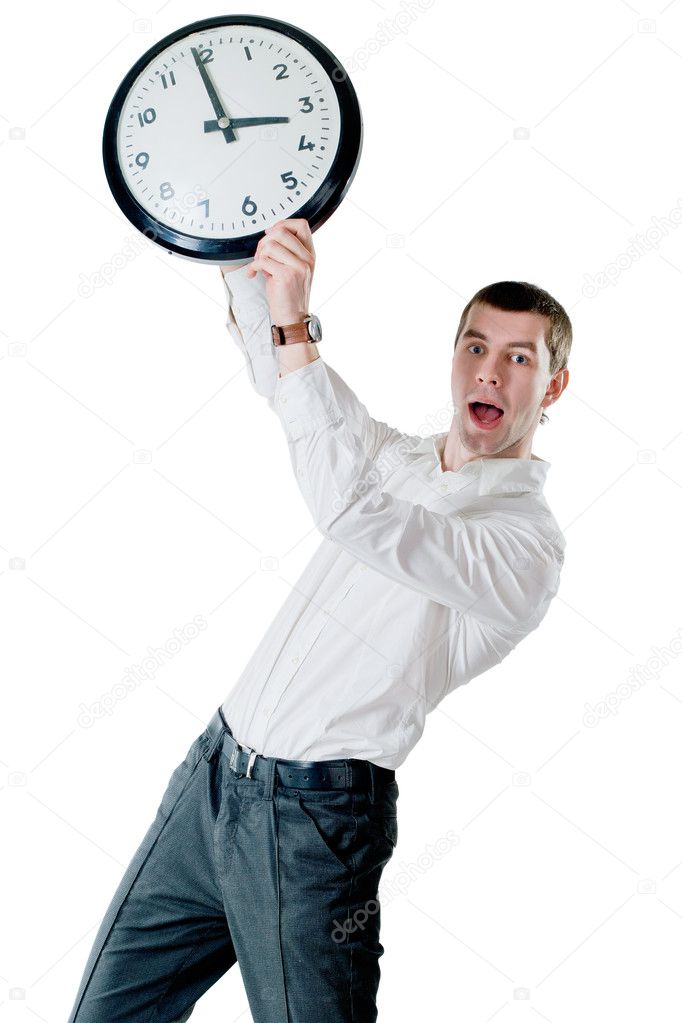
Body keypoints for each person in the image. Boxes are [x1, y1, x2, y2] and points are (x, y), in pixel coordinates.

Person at [66, 218, 569, 1023]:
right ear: (454, 359)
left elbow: (350, 511)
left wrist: (297, 321)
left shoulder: (523, 545)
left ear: (553, 386)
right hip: (212, 778)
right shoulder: (398, 457)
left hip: (315, 825)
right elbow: (290, 386)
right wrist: (236, 246)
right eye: (476, 346)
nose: (490, 370)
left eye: (519, 357)